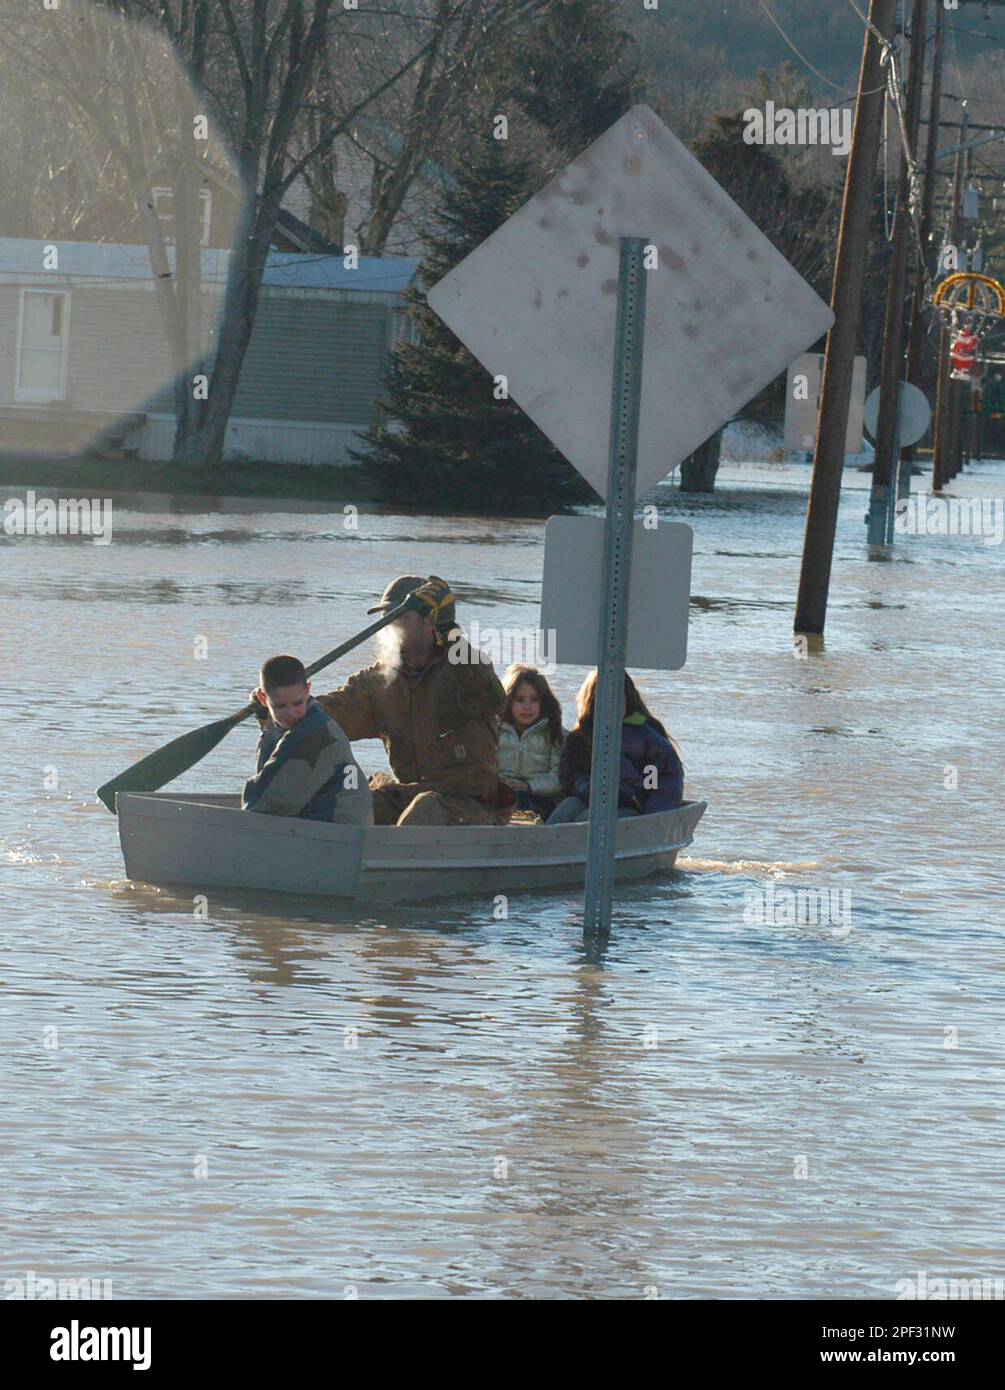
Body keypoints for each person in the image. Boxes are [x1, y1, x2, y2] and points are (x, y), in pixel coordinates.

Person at [313, 575, 513, 827]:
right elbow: (329, 717)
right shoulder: (377, 681)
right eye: (384, 618)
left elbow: (493, 699)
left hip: (470, 803)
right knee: (352, 806)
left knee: (426, 810)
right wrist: (282, 706)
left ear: (429, 622)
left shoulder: (462, 668)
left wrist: (450, 631)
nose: (386, 627)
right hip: (407, 795)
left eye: (397, 617)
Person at [242, 655, 373, 825]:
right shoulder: (286, 726)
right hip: (316, 824)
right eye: (280, 706)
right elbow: (271, 766)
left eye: (297, 703)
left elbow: (264, 803)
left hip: (341, 831)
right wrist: (264, 720)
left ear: (308, 690)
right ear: (263, 699)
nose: (291, 713)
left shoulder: (315, 733)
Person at [546, 670, 684, 824]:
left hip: (634, 809)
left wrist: (651, 818)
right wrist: (594, 791)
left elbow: (660, 781)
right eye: (602, 698)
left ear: (629, 699)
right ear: (591, 702)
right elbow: (571, 778)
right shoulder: (580, 738)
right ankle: (542, 845)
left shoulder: (647, 738)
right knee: (568, 807)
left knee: (588, 820)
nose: (610, 704)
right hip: (592, 802)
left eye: (617, 697)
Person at [498, 664, 566, 821]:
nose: (527, 707)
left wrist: (529, 786)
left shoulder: (554, 733)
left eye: (534, 700)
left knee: (520, 799)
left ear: (544, 701)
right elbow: (485, 768)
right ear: (508, 700)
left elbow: (558, 779)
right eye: (520, 700)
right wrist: (500, 782)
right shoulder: (495, 731)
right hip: (501, 794)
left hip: (539, 799)